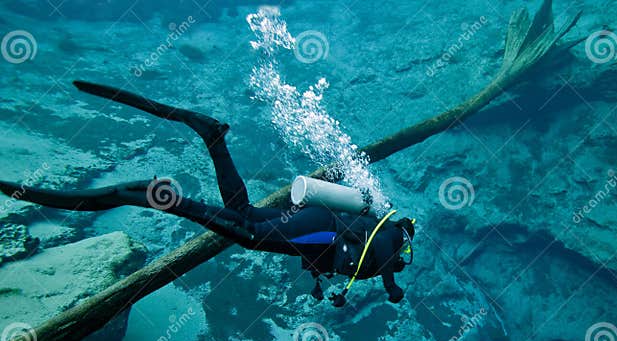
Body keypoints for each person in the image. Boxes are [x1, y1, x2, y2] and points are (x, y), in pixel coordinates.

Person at [0, 81, 415, 307]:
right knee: (250, 235)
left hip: (317, 221)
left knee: (244, 211)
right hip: (320, 232)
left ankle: (213, 136)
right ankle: (152, 194)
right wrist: (390, 289)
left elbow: (387, 272)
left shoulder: (388, 248)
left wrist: (392, 290)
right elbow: (376, 267)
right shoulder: (385, 258)